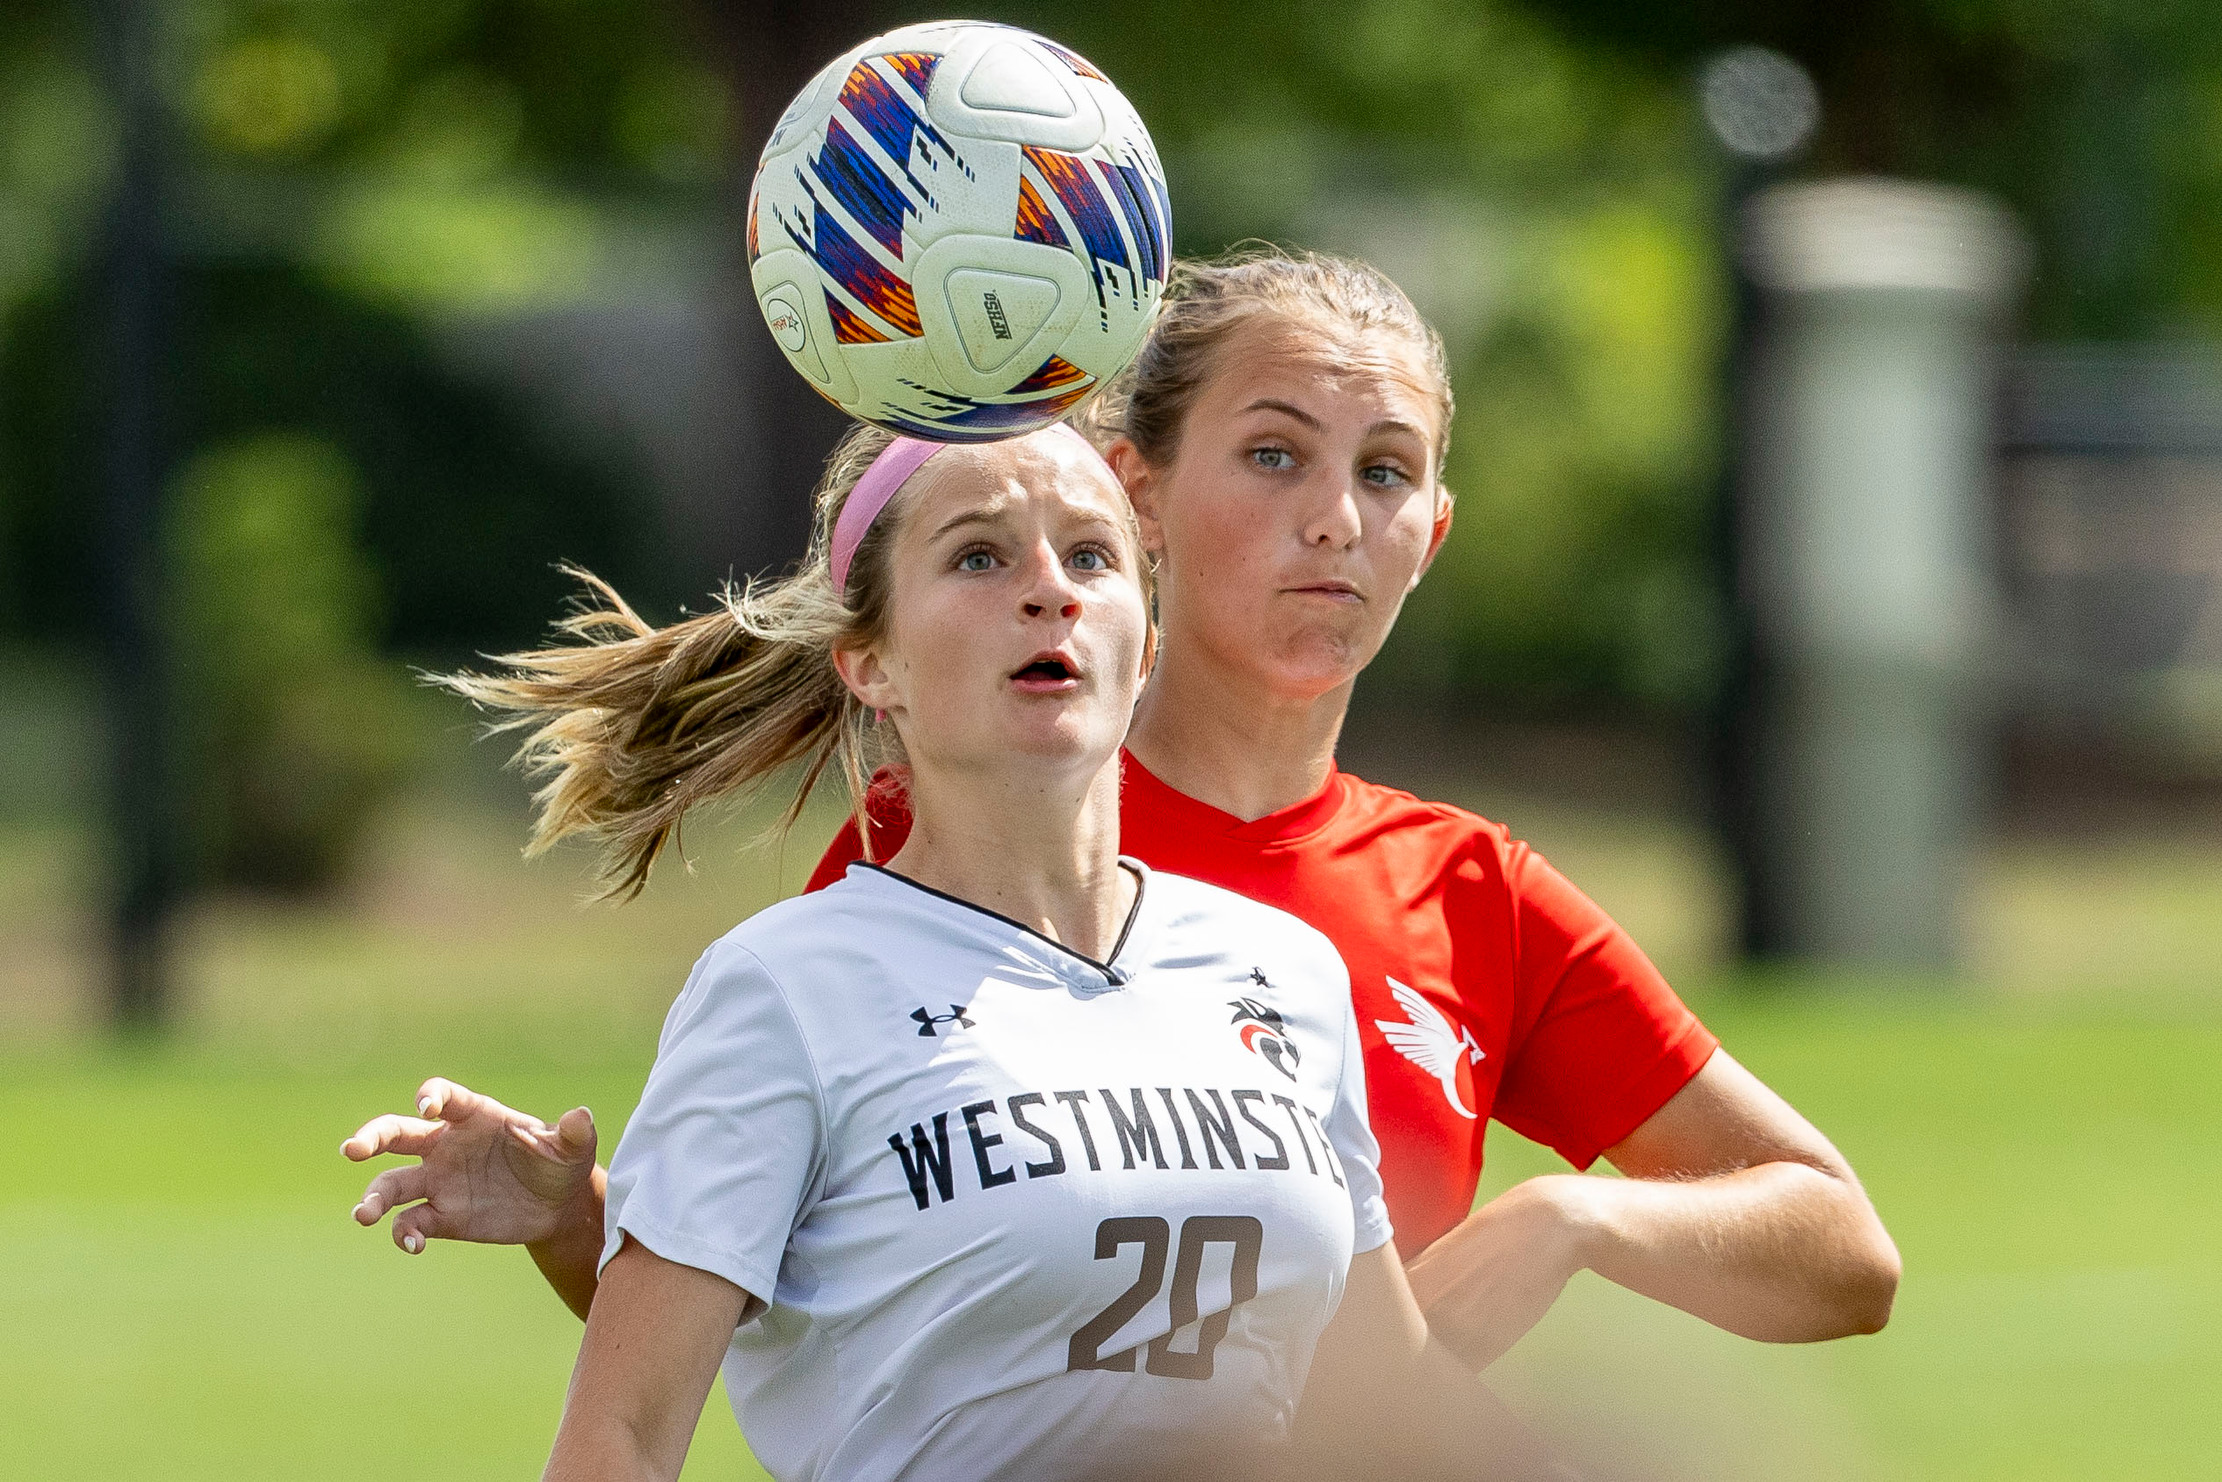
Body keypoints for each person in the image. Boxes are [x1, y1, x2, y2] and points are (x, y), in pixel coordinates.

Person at [347, 248, 1898, 1379]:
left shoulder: (1466, 889)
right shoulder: (954, 833)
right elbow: (835, 1306)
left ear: (1432, 530)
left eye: (1384, 473)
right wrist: (585, 1223)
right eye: (1273, 453)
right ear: (1131, 489)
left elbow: (1840, 1248)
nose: (1330, 520)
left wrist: (1571, 1221)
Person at [405, 419, 1558, 1481]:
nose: (1049, 591)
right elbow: (622, 1436)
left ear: (1145, 640)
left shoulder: (1283, 969)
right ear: (872, 664)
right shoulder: (785, 989)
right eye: (977, 558)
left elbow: (1385, 1404)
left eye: (1091, 557)